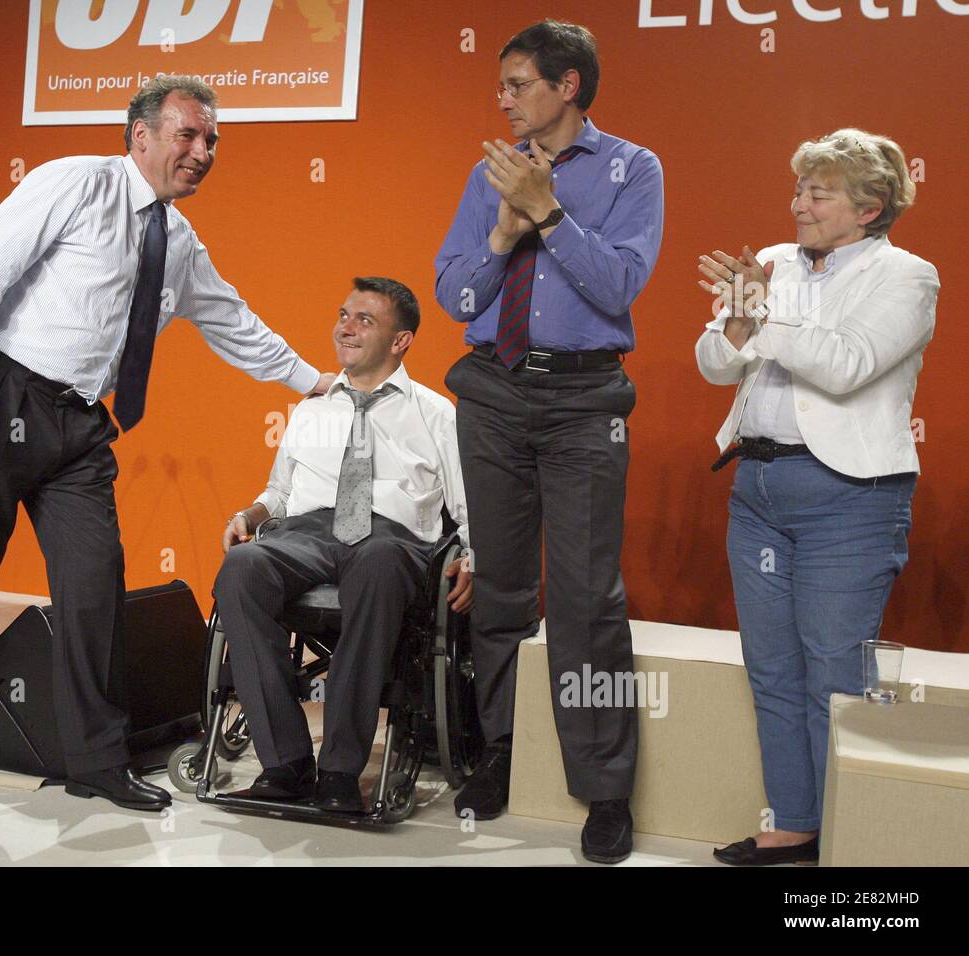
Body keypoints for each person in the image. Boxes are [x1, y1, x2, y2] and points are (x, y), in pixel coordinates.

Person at [0, 75, 335, 812]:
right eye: (188, 135)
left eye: (211, 140)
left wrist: (315, 383)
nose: (202, 151)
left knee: (95, 587)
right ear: (141, 136)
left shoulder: (177, 242)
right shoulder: (75, 184)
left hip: (80, 426)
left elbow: (233, 324)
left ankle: (94, 759)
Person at [434, 19, 663, 863]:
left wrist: (550, 216)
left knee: (586, 600)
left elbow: (619, 286)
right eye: (501, 85)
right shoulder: (484, 172)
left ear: (568, 87)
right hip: (490, 390)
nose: (504, 99)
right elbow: (457, 294)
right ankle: (498, 750)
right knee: (497, 589)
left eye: (519, 83)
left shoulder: (632, 169)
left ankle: (603, 788)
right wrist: (501, 232)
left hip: (581, 398)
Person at [695, 128, 937, 865]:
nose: (797, 203)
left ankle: (850, 837)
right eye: (799, 189)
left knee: (834, 669)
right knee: (772, 666)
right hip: (758, 486)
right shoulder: (769, 263)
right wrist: (739, 320)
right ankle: (794, 825)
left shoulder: (907, 276)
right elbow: (713, 362)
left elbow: (848, 365)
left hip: (849, 496)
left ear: (869, 207)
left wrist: (766, 314)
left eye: (817, 193)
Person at [213, 277, 472, 812]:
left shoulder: (435, 412)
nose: (345, 329)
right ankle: (285, 763)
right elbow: (280, 493)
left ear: (400, 341)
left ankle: (338, 770)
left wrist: (473, 555)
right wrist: (250, 514)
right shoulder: (312, 409)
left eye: (364, 320)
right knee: (242, 566)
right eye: (343, 316)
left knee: (377, 560)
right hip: (307, 533)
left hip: (390, 539)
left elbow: (469, 506)